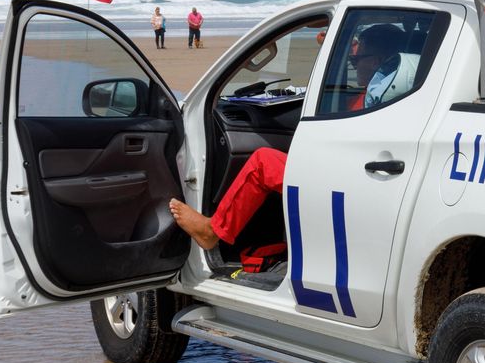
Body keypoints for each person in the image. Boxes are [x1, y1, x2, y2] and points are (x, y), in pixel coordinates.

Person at [170, 24, 410, 252]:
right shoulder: (396, 92)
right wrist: (335, 42)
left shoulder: (372, 99)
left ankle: (212, 231)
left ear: (377, 61)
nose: (353, 65)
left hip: (342, 183)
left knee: (262, 163)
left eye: (356, 60)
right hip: (360, 181)